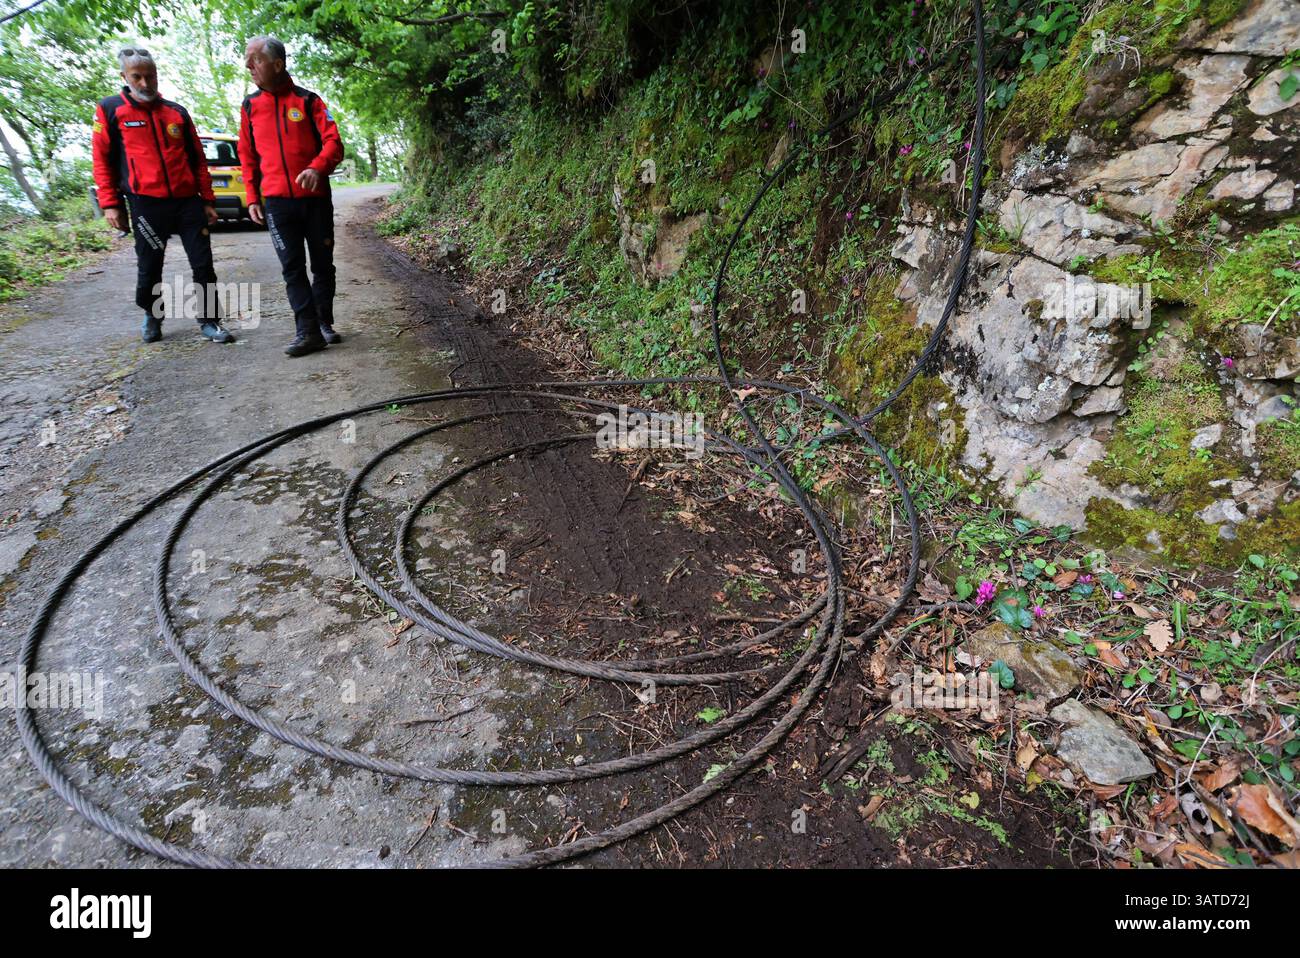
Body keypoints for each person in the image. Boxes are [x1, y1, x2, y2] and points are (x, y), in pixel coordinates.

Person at [91, 48, 235, 344]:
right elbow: (101, 160)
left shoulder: (176, 112)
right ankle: (152, 315)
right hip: (146, 203)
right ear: (124, 77)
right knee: (150, 265)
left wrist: (207, 200)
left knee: (203, 264)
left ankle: (210, 321)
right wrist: (110, 204)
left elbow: (197, 159)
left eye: (150, 76)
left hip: (187, 203)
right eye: (137, 77)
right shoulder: (110, 109)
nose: (145, 83)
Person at [238, 36, 345, 357]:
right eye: (248, 59)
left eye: (255, 59)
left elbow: (334, 143)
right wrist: (252, 197)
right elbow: (247, 155)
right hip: (276, 203)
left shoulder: (309, 101)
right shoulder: (249, 107)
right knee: (292, 268)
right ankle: (307, 331)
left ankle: (323, 322)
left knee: (322, 265)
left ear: (278, 64)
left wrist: (317, 167)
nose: (248, 66)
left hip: (314, 200)